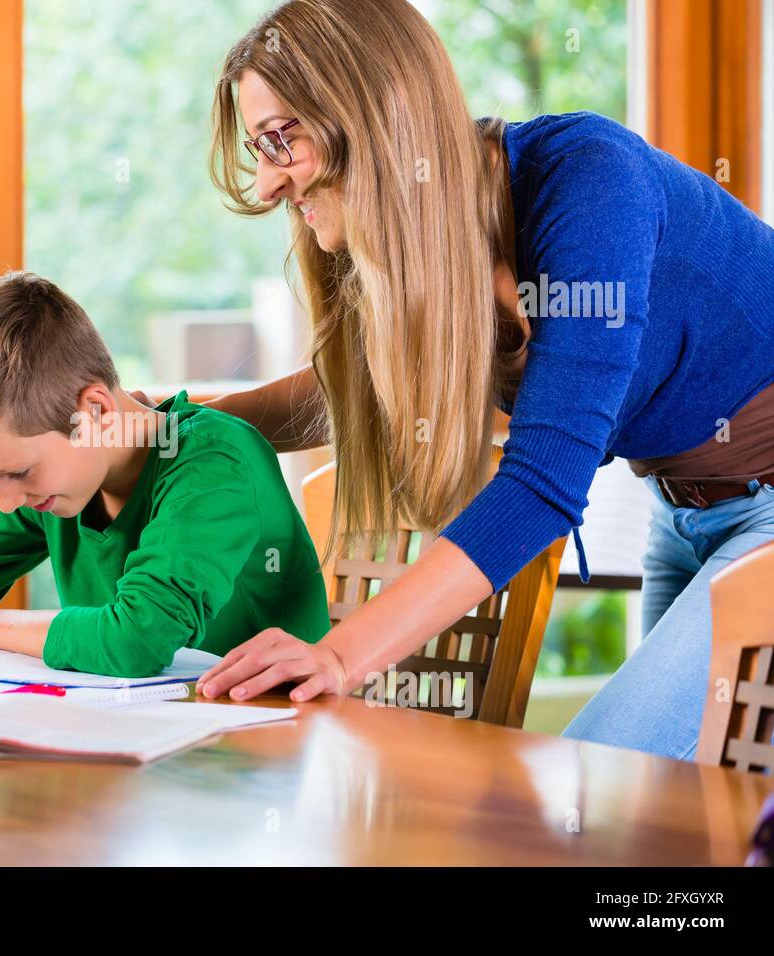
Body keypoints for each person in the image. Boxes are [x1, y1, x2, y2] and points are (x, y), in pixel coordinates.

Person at [192, 0, 774, 762]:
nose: (267, 185)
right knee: (673, 821)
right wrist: (172, 424)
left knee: (617, 792)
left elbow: (543, 485)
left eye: (279, 141)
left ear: (368, 114)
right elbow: (347, 392)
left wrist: (339, 655)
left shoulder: (589, 182)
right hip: (685, 514)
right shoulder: (435, 247)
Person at [0, 270, 331, 678]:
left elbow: (137, 639)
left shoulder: (214, 462)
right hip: (140, 753)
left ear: (95, 412)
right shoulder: (63, 482)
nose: (5, 501)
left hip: (266, 752)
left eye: (17, 472)